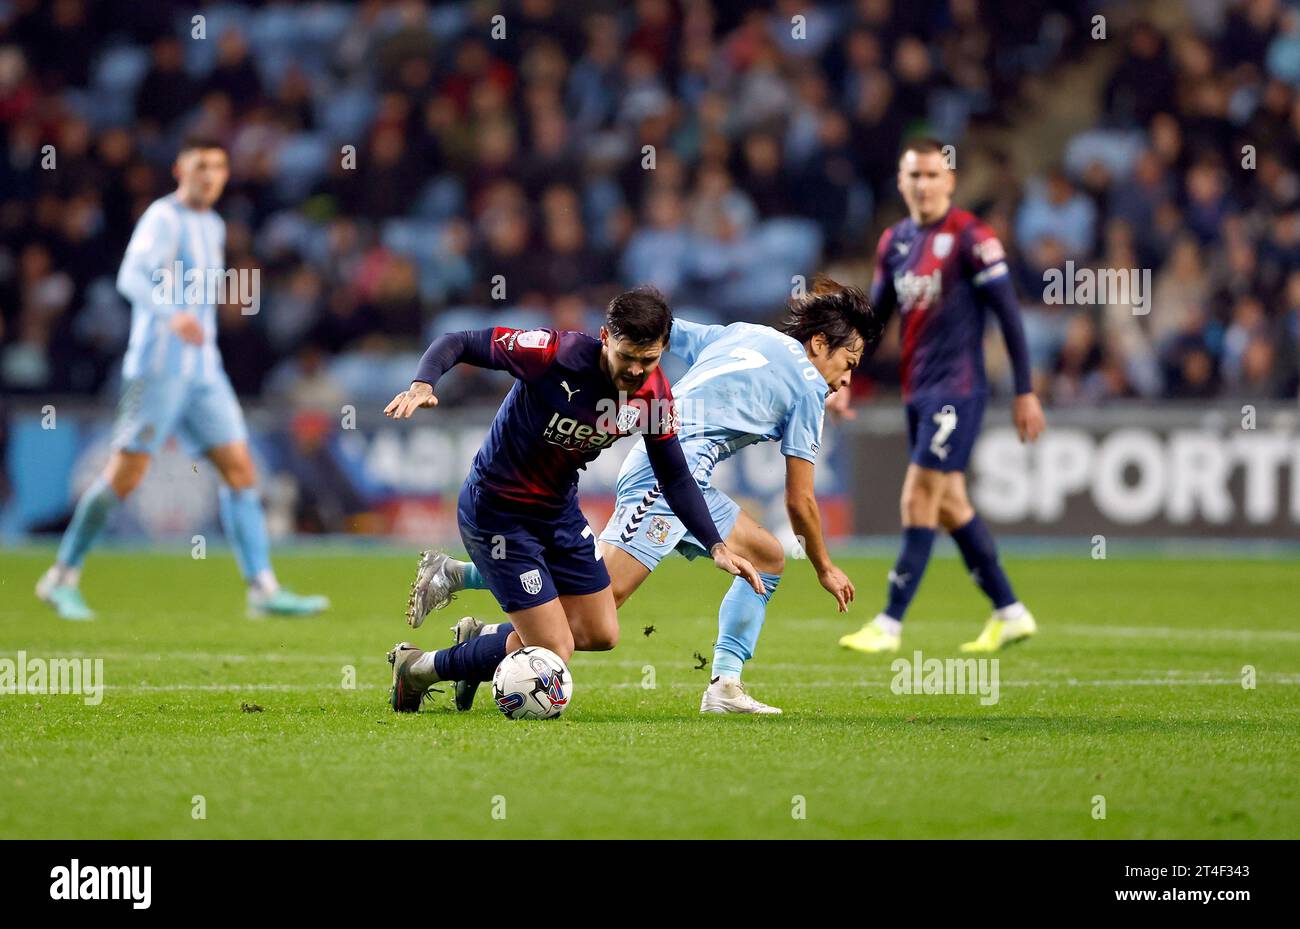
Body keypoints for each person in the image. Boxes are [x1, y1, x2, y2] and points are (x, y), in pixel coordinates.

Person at [413, 280, 880, 714]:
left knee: (765, 557)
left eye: (648, 359)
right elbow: (801, 501)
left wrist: (717, 546)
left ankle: (724, 684)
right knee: (576, 626)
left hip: (671, 478)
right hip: (639, 484)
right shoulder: (808, 389)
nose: (843, 381)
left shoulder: (747, 335)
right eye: (848, 366)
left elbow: (669, 337)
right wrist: (824, 566)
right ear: (819, 344)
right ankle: (458, 647)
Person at [383, 287, 762, 712]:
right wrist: (422, 383)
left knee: (600, 633)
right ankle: (417, 668)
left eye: (649, 359)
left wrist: (716, 545)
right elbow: (460, 341)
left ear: (663, 349)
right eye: (627, 356)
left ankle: (479, 641)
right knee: (554, 648)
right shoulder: (551, 353)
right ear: (605, 337)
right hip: (497, 511)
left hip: (557, 510)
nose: (636, 370)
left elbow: (674, 474)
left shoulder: (654, 397)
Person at [35, 136, 327, 621]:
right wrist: (171, 315)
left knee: (241, 472)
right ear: (179, 169)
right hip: (158, 368)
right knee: (123, 476)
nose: (209, 176)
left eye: (218, 167)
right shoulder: (162, 219)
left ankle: (262, 587)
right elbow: (130, 276)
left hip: (203, 372)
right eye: (200, 166)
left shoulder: (212, 225)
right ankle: (60, 576)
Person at [837, 138, 1046, 654]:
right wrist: (844, 379)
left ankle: (888, 623)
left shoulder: (972, 237)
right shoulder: (896, 242)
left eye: (933, 175)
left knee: (918, 495)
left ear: (949, 181)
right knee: (951, 503)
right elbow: (877, 321)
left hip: (960, 388)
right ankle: (1010, 611)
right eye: (915, 176)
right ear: (902, 182)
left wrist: (1025, 390)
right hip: (918, 390)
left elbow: (1009, 316)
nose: (924, 185)